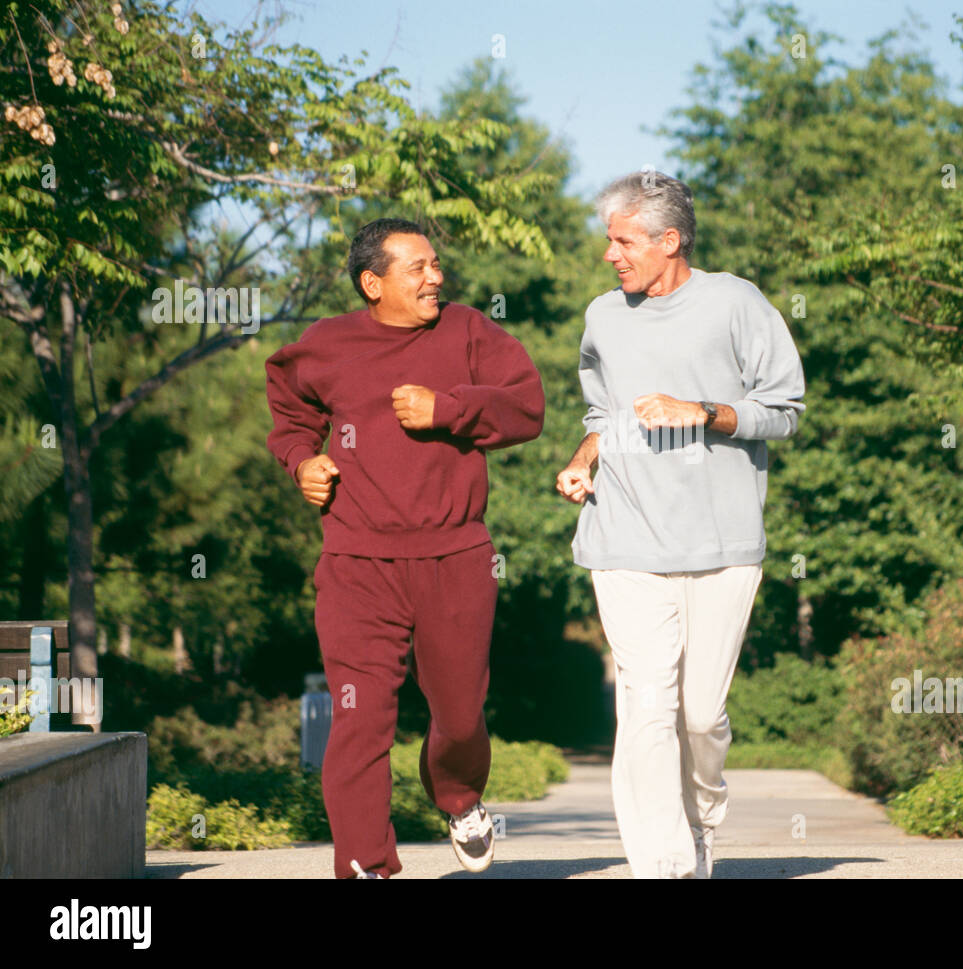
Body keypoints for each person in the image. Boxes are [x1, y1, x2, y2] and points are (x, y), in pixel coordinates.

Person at [265, 217, 545, 878]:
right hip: (357, 565)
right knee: (360, 720)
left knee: (460, 712)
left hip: (456, 558)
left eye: (436, 264)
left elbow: (527, 407)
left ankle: (458, 796)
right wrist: (302, 460)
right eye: (418, 267)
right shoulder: (327, 344)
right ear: (373, 282)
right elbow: (290, 410)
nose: (436, 277)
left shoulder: (469, 330)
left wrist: (450, 408)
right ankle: (366, 865)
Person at [555, 172, 805, 878]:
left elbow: (784, 408)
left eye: (623, 239)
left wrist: (707, 410)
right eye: (609, 239)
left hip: (722, 543)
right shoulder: (603, 316)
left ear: (670, 241)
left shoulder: (735, 302)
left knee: (699, 716)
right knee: (645, 708)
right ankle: (662, 863)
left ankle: (703, 817)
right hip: (625, 537)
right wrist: (583, 460)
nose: (610, 254)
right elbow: (603, 415)